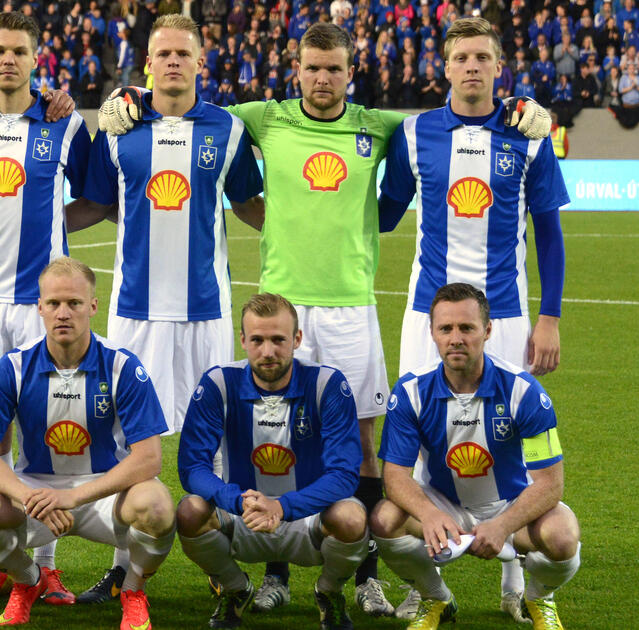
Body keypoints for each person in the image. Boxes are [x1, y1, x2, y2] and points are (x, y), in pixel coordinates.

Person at [96, 21, 553, 617]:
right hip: (282, 301)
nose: (322, 77)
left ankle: (364, 573)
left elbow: (450, 117)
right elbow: (189, 105)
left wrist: (520, 107)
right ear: (297, 70)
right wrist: (131, 97)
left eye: (334, 68)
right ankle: (275, 570)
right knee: (267, 434)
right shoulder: (262, 118)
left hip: (351, 305)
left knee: (364, 440)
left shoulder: (380, 125)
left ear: (349, 73)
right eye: (312, 67)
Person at [378, 18, 569, 620]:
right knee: (424, 439)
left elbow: (549, 234)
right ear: (445, 66)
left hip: (505, 312)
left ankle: (517, 580)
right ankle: (427, 578)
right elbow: (383, 214)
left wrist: (551, 317)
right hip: (423, 315)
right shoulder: (414, 133)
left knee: (507, 440)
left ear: (498, 67)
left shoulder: (528, 133)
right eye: (461, 57)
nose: (471, 67)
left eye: (482, 57)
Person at [75, 14, 265, 601]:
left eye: (185, 54)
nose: (174, 62)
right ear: (148, 64)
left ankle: (217, 561)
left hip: (207, 313)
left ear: (200, 64)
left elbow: (249, 204)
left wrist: (313, 235)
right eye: (164, 54)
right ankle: (124, 565)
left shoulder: (228, 130)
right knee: (129, 443)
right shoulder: (118, 127)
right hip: (135, 314)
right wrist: (40, 238)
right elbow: (97, 204)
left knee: (215, 444)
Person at [0, 11, 92, 605]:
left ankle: (46, 566)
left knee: (43, 431)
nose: (9, 60)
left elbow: (98, 196)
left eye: (19, 51)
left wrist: (53, 222)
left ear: (36, 60)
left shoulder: (66, 123)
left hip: (39, 304)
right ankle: (3, 561)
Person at [0, 258, 175, 629]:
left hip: (104, 494)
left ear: (92, 306)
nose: (63, 313)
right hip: (36, 494)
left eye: (74, 303)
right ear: (39, 307)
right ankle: (28, 579)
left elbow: (149, 459)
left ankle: (133, 590)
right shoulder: (12, 368)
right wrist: (27, 496)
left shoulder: (123, 367)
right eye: (54, 303)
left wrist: (74, 497)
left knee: (156, 506)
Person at [372, 283, 581, 630]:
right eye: (446, 329)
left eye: (466, 328)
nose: (456, 338)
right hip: (443, 505)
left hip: (510, 506)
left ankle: (538, 598)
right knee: (384, 519)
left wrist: (503, 525)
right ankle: (436, 597)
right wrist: (428, 514)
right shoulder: (410, 392)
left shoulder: (523, 391)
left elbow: (550, 484)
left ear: (487, 331)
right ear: (433, 333)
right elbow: (394, 477)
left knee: (562, 535)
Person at [177, 293, 367, 630]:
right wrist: (236, 499)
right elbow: (193, 467)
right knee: (189, 512)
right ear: (243, 341)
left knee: (352, 517)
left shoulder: (327, 384)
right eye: (258, 340)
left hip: (309, 520)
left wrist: (282, 507)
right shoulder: (219, 383)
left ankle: (329, 591)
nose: (268, 351)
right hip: (243, 515)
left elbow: (344, 474)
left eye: (278, 340)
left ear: (297, 339)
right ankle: (235, 590)